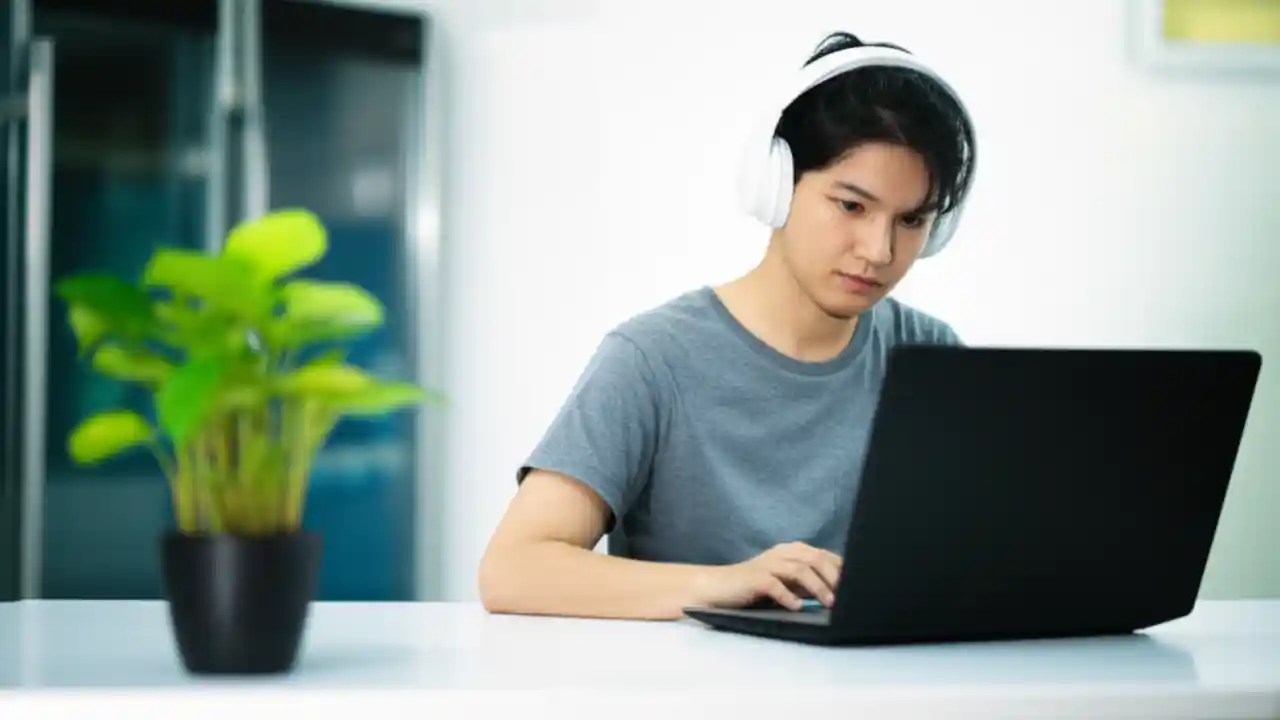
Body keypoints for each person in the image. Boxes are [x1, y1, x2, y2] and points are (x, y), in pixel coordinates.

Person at [479, 31, 977, 620]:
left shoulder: (929, 354)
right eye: (851, 205)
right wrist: (727, 584)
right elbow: (513, 569)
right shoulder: (652, 359)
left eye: (912, 219)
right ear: (776, 185)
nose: (878, 249)